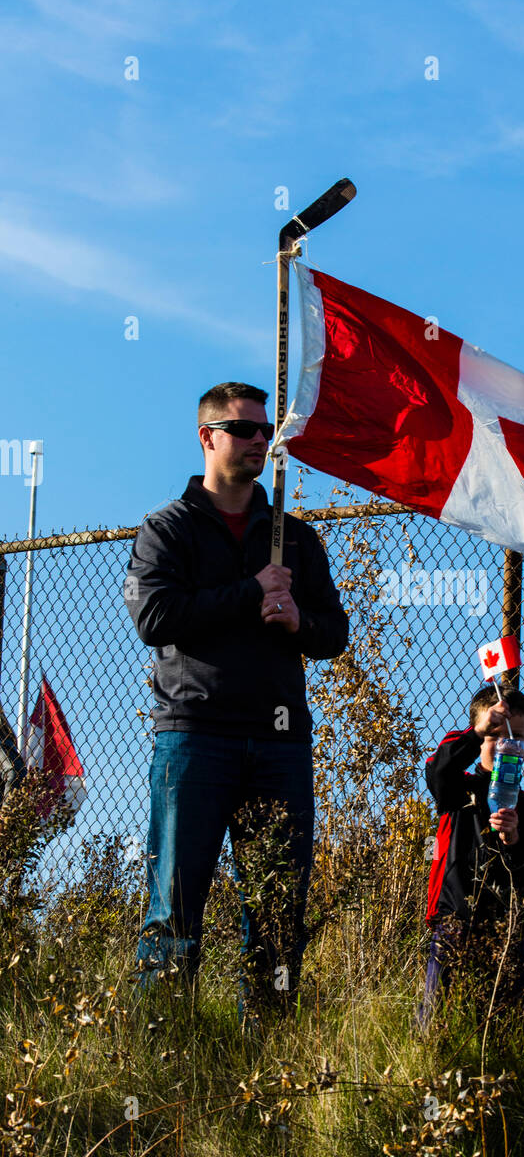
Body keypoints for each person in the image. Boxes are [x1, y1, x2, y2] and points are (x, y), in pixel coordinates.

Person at [124, 382, 349, 1025]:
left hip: (279, 743)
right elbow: (157, 616)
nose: (260, 441)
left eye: (265, 432)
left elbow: (333, 634)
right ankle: (162, 1052)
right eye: (245, 429)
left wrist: (294, 618)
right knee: (174, 902)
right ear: (208, 437)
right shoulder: (167, 529)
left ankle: (269, 1059)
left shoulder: (294, 539)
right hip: (195, 737)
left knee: (278, 908)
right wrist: (249, 591)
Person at [420, 684, 524, 1036]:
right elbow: (437, 769)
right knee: (437, 1011)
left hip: (507, 929)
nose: (505, 744)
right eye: (493, 735)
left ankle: (500, 1075)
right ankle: (430, 1065)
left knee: (501, 1019)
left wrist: (514, 839)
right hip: (455, 918)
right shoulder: (456, 788)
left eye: (516, 737)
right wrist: (476, 732)